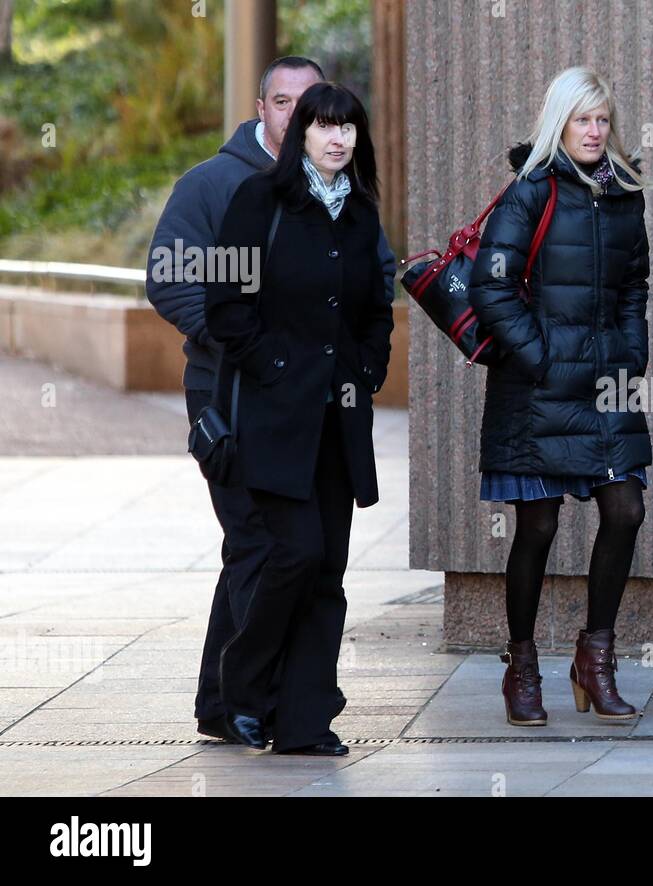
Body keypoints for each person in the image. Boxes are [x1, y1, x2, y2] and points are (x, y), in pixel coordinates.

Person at [145, 56, 397, 745]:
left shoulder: (354, 205)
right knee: (269, 549)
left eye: (321, 109)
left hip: (329, 410)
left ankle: (295, 715)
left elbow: (374, 296)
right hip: (238, 399)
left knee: (317, 564)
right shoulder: (221, 187)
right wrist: (268, 360)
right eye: (289, 104)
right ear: (265, 108)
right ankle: (234, 697)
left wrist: (365, 366)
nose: (307, 121)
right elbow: (186, 288)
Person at [468, 66, 653, 727]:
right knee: (539, 527)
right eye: (583, 119)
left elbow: (636, 285)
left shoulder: (624, 193)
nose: (596, 131)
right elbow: (491, 287)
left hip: (606, 385)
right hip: (538, 389)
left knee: (625, 510)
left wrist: (632, 352)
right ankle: (522, 666)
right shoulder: (530, 192)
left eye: (603, 119)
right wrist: (543, 357)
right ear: (560, 123)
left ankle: (594, 659)